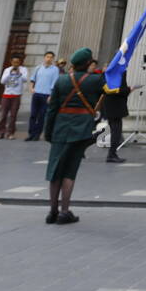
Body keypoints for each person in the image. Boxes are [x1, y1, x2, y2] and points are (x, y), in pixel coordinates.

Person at [44, 48, 106, 224]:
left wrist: (48, 132)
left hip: (60, 128)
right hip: (80, 130)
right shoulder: (95, 80)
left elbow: (52, 109)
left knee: (55, 169)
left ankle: (52, 211)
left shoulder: (61, 81)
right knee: (69, 171)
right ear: (88, 63)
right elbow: (113, 87)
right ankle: (65, 212)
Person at [25, 51, 59, 141]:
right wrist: (31, 88)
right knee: (33, 114)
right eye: (47, 57)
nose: (49, 58)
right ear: (44, 57)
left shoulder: (55, 69)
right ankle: (31, 133)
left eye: (51, 57)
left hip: (46, 94)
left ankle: (37, 134)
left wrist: (51, 95)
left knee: (42, 115)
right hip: (37, 93)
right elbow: (33, 79)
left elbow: (54, 83)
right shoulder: (38, 68)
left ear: (53, 59)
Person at [0, 54, 28, 139]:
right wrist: (10, 74)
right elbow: (2, 81)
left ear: (20, 62)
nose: (15, 64)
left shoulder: (23, 70)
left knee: (13, 115)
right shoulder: (7, 70)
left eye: (17, 62)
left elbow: (25, 79)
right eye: (14, 62)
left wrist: (19, 73)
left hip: (16, 95)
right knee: (3, 115)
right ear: (11, 62)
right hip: (6, 95)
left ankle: (10, 133)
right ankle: (0, 132)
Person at [103, 71, 130, 163]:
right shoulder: (119, 74)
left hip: (110, 106)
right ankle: (111, 154)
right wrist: (130, 89)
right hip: (116, 107)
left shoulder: (109, 74)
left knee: (115, 131)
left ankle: (112, 154)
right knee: (116, 132)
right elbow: (121, 90)